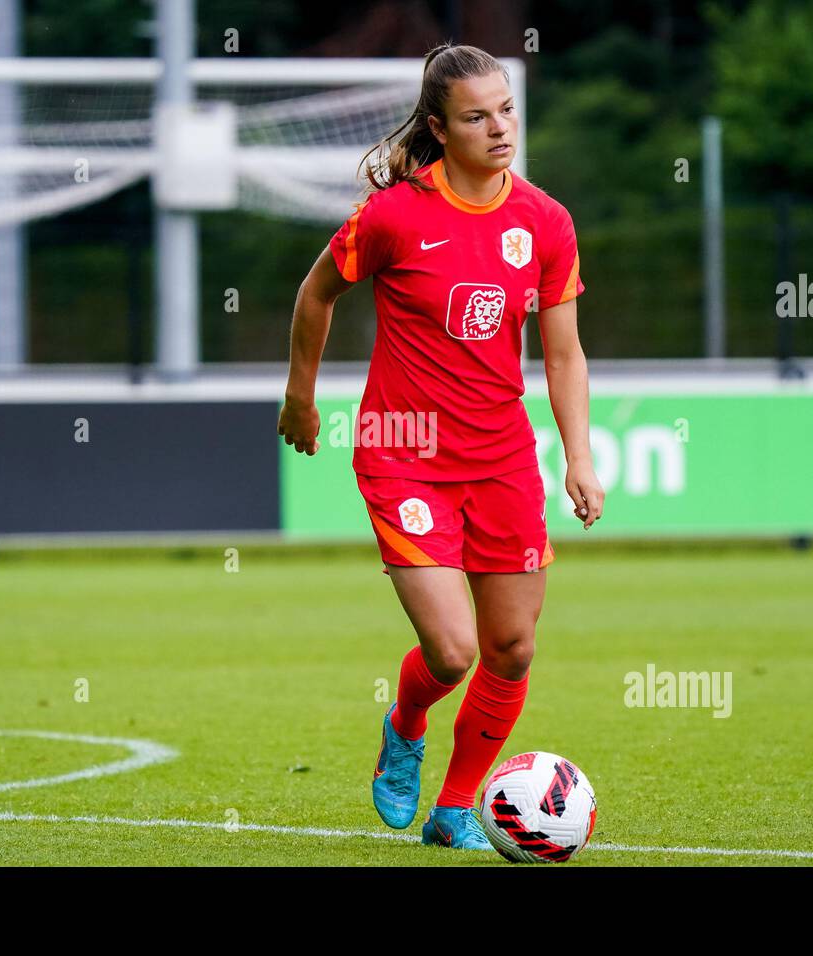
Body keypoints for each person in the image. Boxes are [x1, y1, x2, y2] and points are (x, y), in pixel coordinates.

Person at [278, 43, 604, 849]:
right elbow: (316, 291)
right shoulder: (395, 215)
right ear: (438, 127)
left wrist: (579, 455)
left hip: (501, 459)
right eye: (476, 116)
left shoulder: (546, 221)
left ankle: (456, 807)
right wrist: (300, 398)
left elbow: (563, 353)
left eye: (505, 110)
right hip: (404, 452)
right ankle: (406, 722)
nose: (499, 128)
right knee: (454, 653)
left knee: (512, 648)